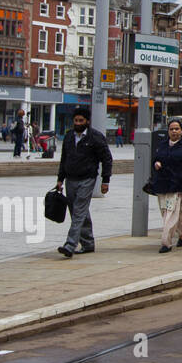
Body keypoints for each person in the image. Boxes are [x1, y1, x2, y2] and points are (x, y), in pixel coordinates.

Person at [54, 107, 112, 258]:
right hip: (70, 179)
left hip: (87, 179)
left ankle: (70, 244)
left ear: (87, 121)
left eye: (81, 120)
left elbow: (107, 159)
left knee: (79, 210)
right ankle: (88, 243)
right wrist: (60, 179)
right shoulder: (68, 137)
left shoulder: (95, 137)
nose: (78, 123)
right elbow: (64, 159)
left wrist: (105, 180)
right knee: (77, 211)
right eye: (76, 120)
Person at [151, 119, 182, 252]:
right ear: (168, 131)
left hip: (177, 185)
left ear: (181, 131)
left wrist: (179, 176)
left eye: (177, 129)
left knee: (170, 213)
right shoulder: (163, 144)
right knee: (169, 212)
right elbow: (156, 158)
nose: (174, 131)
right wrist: (156, 164)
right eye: (171, 129)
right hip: (162, 183)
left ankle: (166, 242)